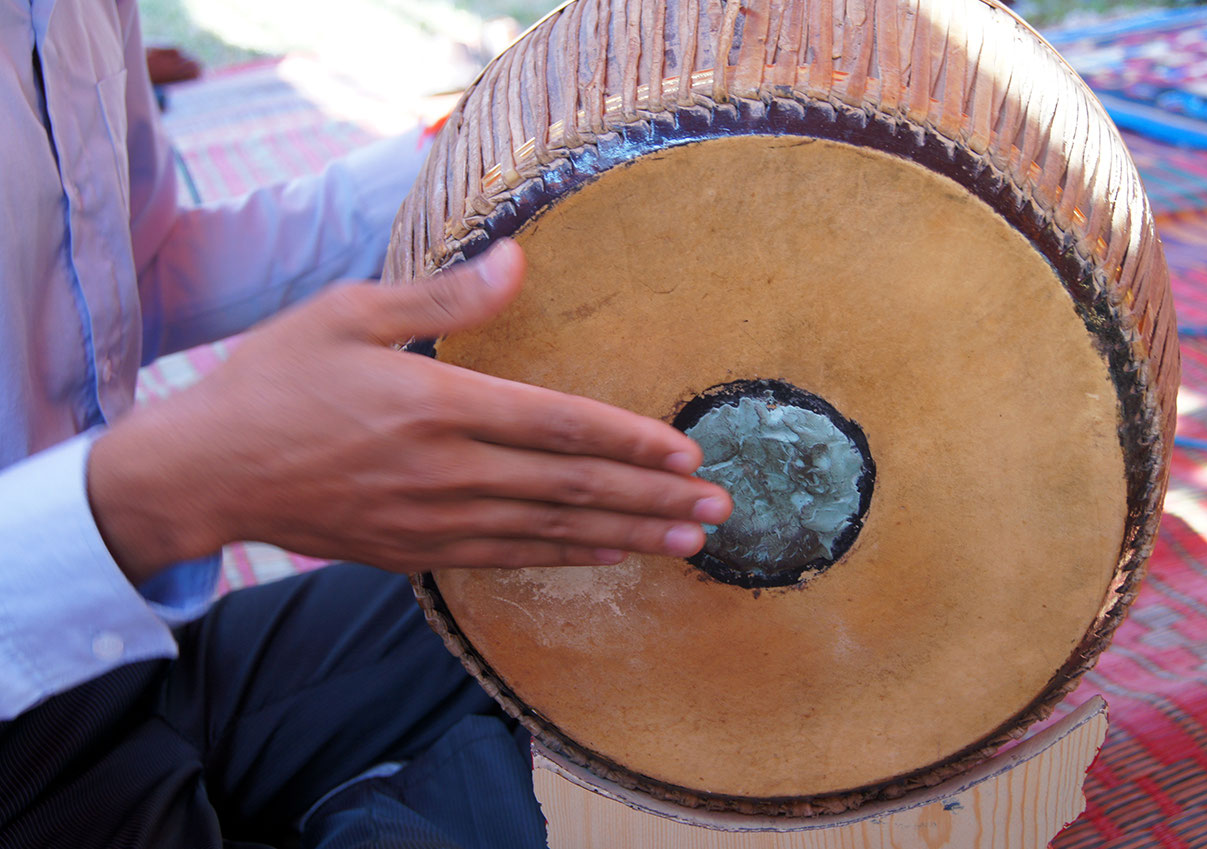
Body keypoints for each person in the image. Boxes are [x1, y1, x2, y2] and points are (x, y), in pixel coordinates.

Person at [0, 1, 732, 847]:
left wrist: (476, 153)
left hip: (126, 654)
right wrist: (162, 489)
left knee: (639, 599)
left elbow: (131, 272)